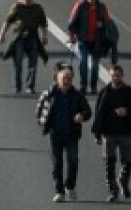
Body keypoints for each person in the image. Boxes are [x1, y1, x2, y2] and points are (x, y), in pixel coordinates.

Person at [37, 64, 92, 202]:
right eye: (63, 78)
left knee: (73, 161)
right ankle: (59, 191)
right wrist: (43, 123)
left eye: (68, 78)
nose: (66, 81)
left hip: (71, 134)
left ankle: (70, 186)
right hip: (55, 134)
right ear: (57, 79)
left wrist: (81, 116)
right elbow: (39, 109)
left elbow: (88, 112)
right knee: (57, 163)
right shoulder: (49, 94)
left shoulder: (77, 95)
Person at [91, 64, 131, 202]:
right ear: (110, 76)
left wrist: (127, 111)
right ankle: (113, 190)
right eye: (113, 75)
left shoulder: (130, 91)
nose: (115, 78)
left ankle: (123, 181)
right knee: (109, 162)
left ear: (122, 76)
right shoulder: (105, 92)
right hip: (109, 132)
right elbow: (98, 114)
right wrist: (97, 133)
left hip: (126, 131)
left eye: (118, 75)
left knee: (129, 159)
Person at [66, 0, 119, 90]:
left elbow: (107, 23)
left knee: (95, 64)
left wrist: (103, 28)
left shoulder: (102, 8)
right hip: (82, 40)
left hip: (96, 41)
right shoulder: (80, 5)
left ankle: (93, 86)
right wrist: (72, 36)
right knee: (83, 62)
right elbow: (72, 21)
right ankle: (83, 85)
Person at [0, 0, 50, 95]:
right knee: (17, 62)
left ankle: (30, 87)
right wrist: (2, 34)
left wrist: (45, 36)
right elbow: (7, 21)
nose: (28, 1)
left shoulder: (38, 8)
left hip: (33, 37)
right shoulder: (17, 7)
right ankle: (17, 87)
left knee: (33, 63)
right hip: (19, 37)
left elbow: (43, 23)